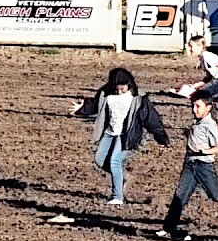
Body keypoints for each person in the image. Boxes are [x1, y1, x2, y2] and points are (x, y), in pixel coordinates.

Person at [155, 90, 218, 241]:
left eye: (197, 106)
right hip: (190, 164)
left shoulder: (210, 125)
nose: (194, 110)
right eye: (193, 106)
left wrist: (203, 151)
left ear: (208, 107)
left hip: (203, 166)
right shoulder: (198, 121)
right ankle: (169, 227)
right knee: (180, 195)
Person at [68, 67, 170, 205]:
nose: (120, 91)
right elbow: (96, 106)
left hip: (127, 136)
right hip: (110, 133)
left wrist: (161, 136)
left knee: (115, 161)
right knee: (99, 160)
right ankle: (122, 176)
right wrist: (81, 108)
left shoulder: (139, 99)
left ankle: (117, 197)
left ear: (130, 85)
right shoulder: (105, 94)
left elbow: (151, 119)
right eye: (118, 89)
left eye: (123, 89)